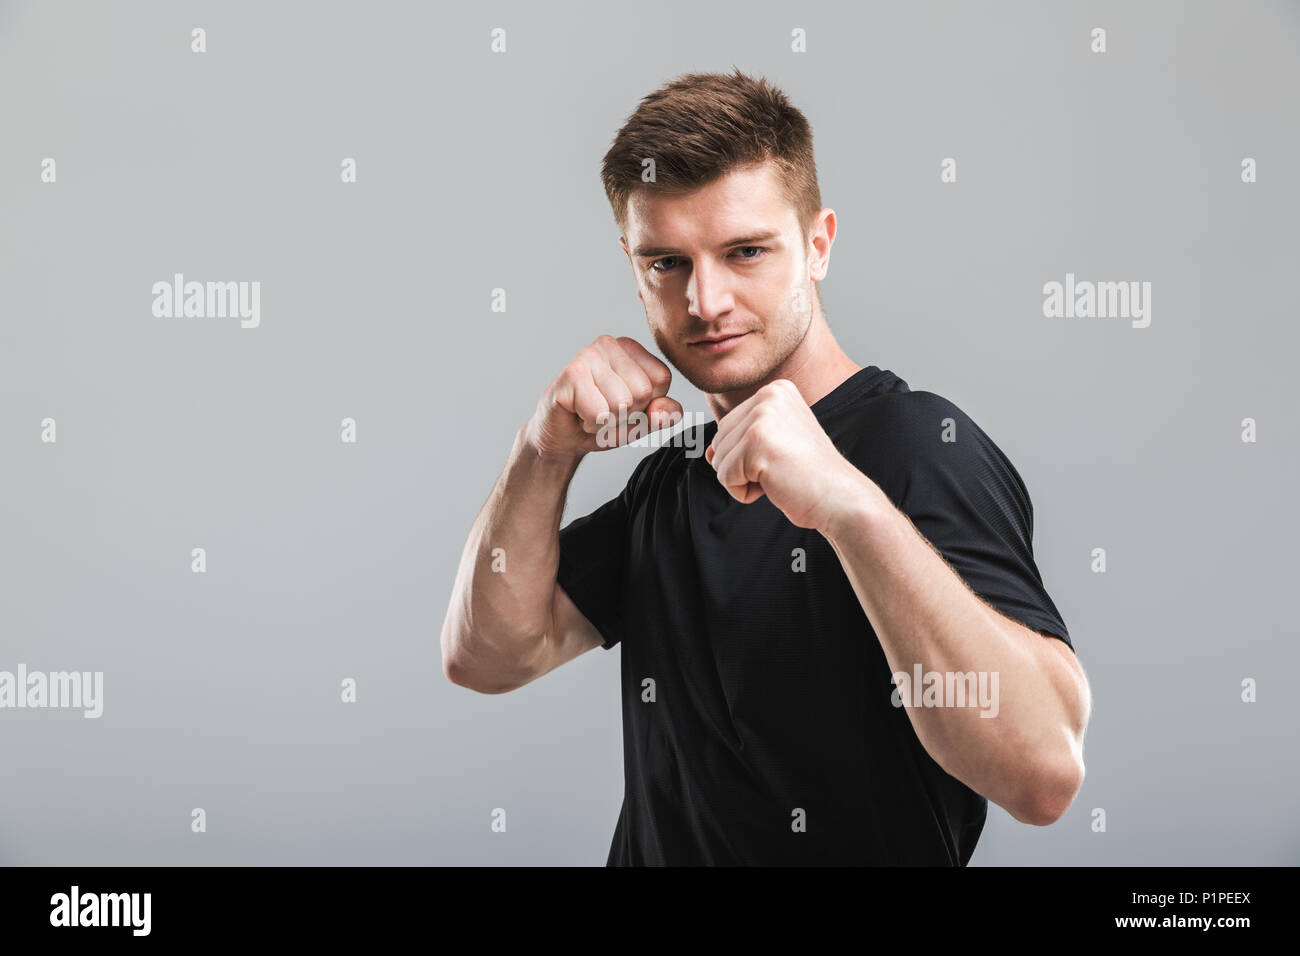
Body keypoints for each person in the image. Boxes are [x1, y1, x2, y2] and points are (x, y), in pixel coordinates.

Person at [441, 68, 1091, 866]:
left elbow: (1045, 775)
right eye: (666, 263)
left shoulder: (918, 446)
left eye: (745, 251)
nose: (704, 300)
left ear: (818, 245)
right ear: (632, 264)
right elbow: (487, 655)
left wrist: (846, 505)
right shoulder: (675, 477)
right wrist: (543, 449)